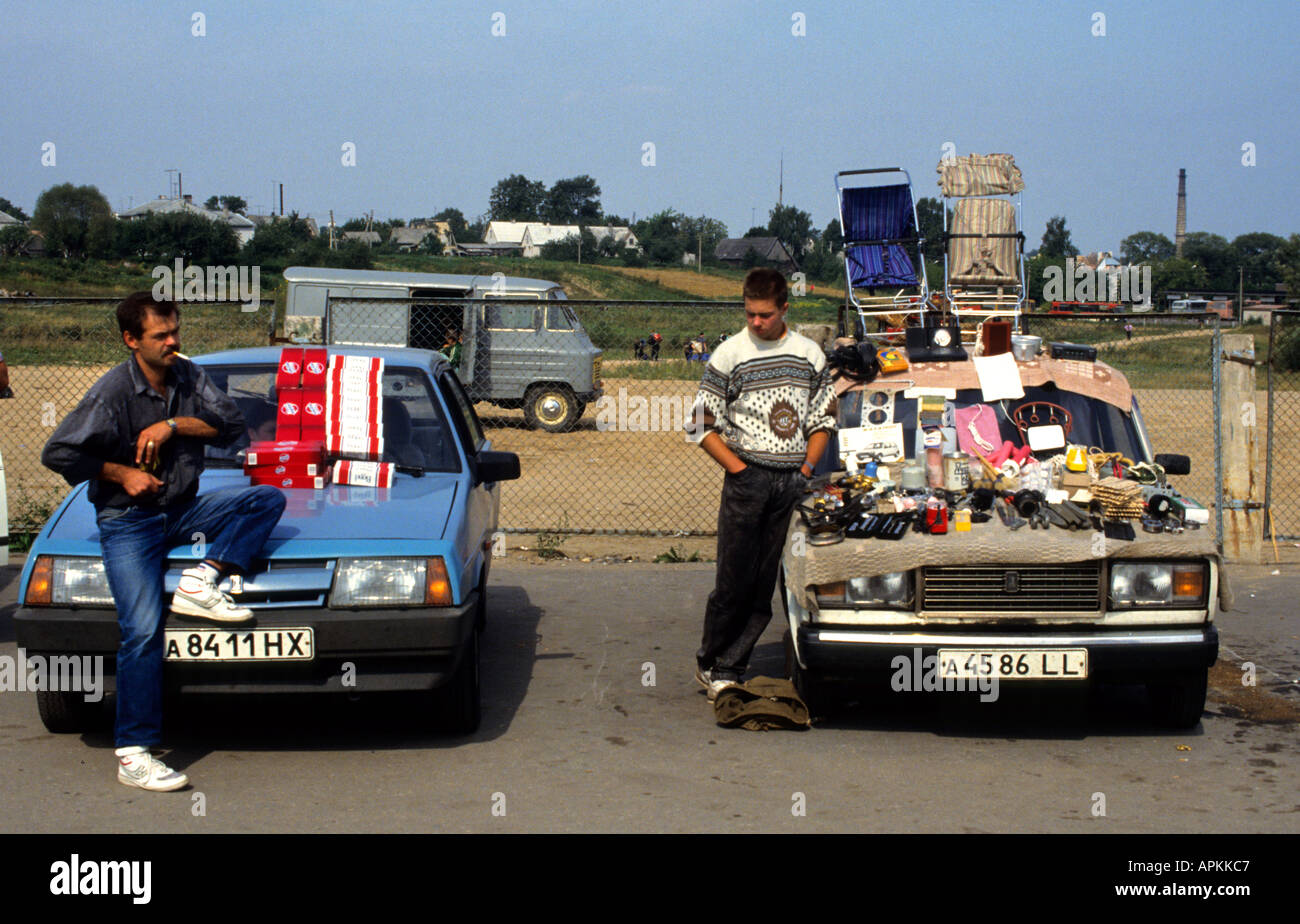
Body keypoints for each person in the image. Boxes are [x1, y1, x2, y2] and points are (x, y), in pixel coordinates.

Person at [42, 292, 287, 792]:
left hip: (179, 510)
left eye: (175, 330)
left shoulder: (189, 375)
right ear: (132, 340)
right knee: (143, 630)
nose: (173, 342)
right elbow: (59, 451)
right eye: (161, 335)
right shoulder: (112, 391)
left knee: (265, 500)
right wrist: (121, 474)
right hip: (128, 520)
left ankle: (205, 578)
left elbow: (232, 429)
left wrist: (172, 424)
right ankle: (134, 752)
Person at [686, 268, 835, 701]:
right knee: (733, 579)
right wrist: (739, 470)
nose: (755, 323)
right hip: (747, 480)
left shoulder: (810, 355)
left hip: (792, 481)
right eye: (749, 314)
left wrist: (805, 470)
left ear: (785, 308)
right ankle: (711, 661)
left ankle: (731, 667)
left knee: (765, 582)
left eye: (764, 315)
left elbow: (822, 419)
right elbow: (699, 425)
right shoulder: (729, 355)